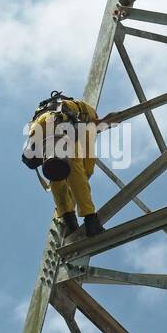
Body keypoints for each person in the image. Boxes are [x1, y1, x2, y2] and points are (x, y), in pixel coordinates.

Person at [21, 91, 117, 237]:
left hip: (37, 130)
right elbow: (93, 126)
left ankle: (69, 221)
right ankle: (91, 220)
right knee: (77, 170)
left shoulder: (47, 108)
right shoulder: (84, 108)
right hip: (59, 123)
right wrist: (107, 122)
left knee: (55, 172)